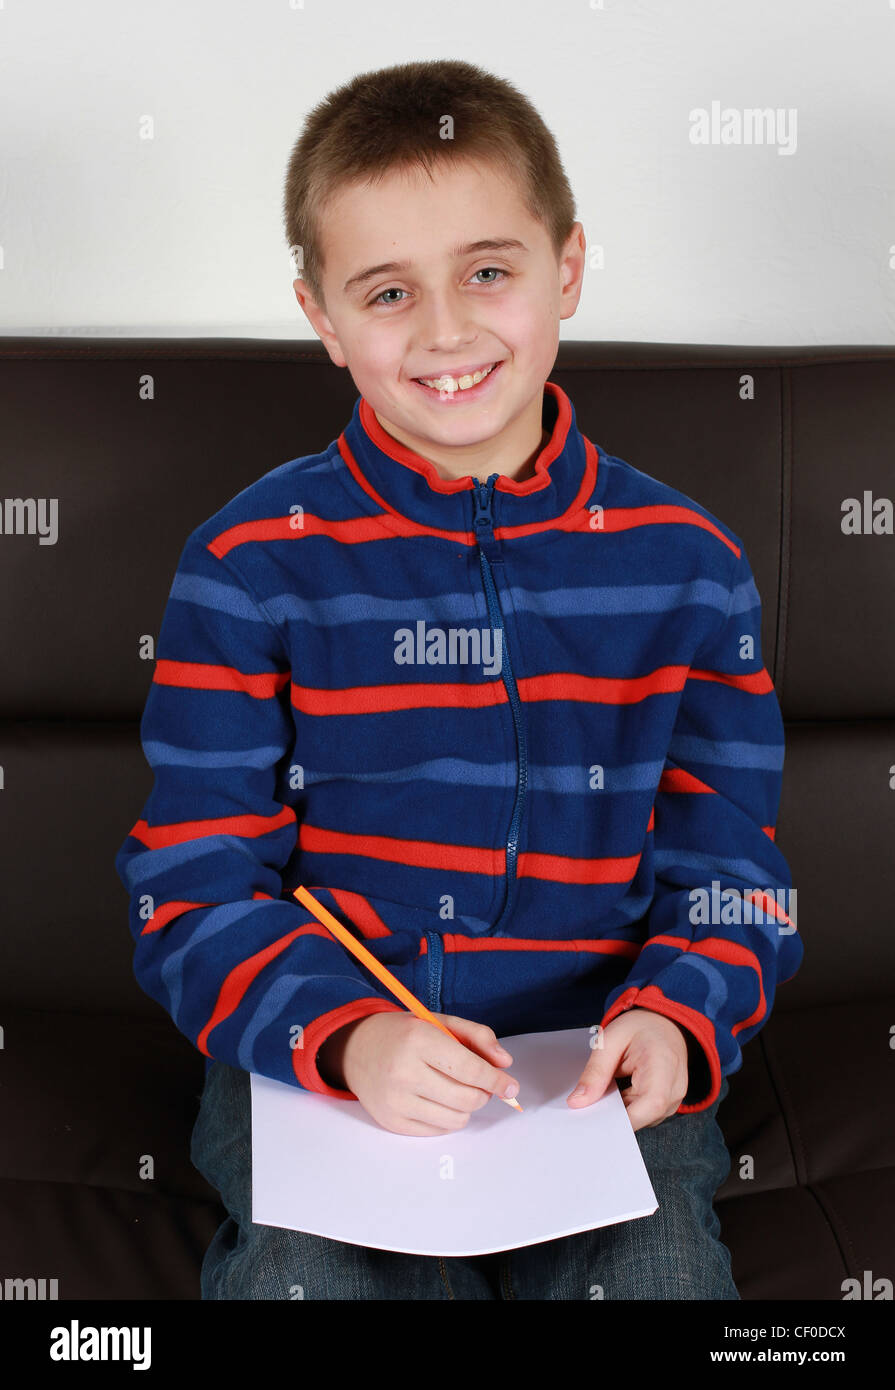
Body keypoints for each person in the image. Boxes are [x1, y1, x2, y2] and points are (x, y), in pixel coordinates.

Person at [115, 58, 803, 1300]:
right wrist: (348, 1036)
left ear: (568, 269)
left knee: (658, 1281)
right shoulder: (248, 565)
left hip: (595, 1071)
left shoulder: (690, 568)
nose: (444, 331)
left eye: (488, 270)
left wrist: (675, 1016)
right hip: (328, 1063)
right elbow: (190, 884)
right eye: (387, 292)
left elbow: (736, 880)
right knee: (302, 1280)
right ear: (323, 319)